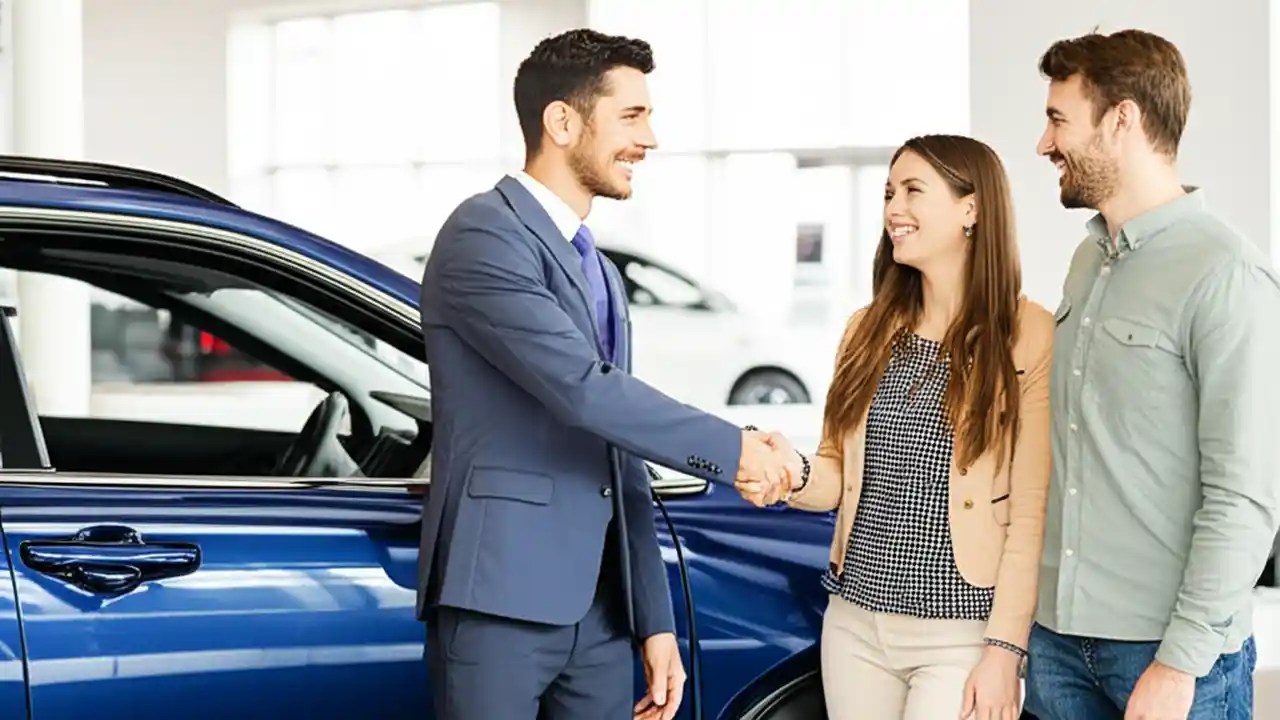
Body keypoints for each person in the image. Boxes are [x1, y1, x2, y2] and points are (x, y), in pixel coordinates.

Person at [416, 28, 793, 720]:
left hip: (599, 613)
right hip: (500, 598)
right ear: (562, 121)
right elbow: (585, 391)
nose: (648, 139)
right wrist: (737, 449)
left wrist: (653, 620)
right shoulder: (482, 236)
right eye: (632, 116)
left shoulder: (598, 267)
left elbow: (616, 452)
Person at [738, 134, 1054, 719]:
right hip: (856, 624)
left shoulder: (1028, 334)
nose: (893, 210)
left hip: (959, 633)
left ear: (971, 208)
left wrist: (1004, 651)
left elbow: (1031, 513)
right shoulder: (867, 329)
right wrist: (793, 470)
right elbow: (837, 470)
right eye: (888, 192)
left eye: (913, 191)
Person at [1024, 29, 1280, 720]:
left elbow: (1246, 495)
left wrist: (1180, 663)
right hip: (1057, 644)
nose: (1044, 145)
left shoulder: (1227, 275)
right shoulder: (1088, 261)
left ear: (1122, 119)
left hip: (1166, 657)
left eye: (1057, 120)